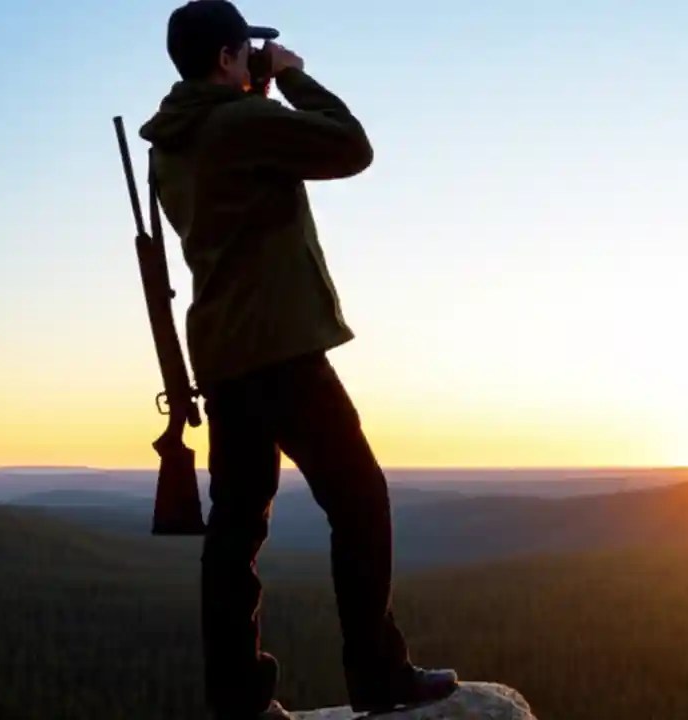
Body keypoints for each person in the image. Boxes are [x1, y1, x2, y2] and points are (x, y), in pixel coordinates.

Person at [137, 2, 458, 718]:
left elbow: (239, 194)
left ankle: (239, 701)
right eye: (245, 51)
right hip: (282, 347)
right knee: (361, 502)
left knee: (237, 529)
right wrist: (293, 79)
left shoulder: (172, 143)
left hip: (224, 356)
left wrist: (255, 97)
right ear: (227, 57)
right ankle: (378, 675)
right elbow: (350, 147)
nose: (256, 59)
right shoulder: (239, 123)